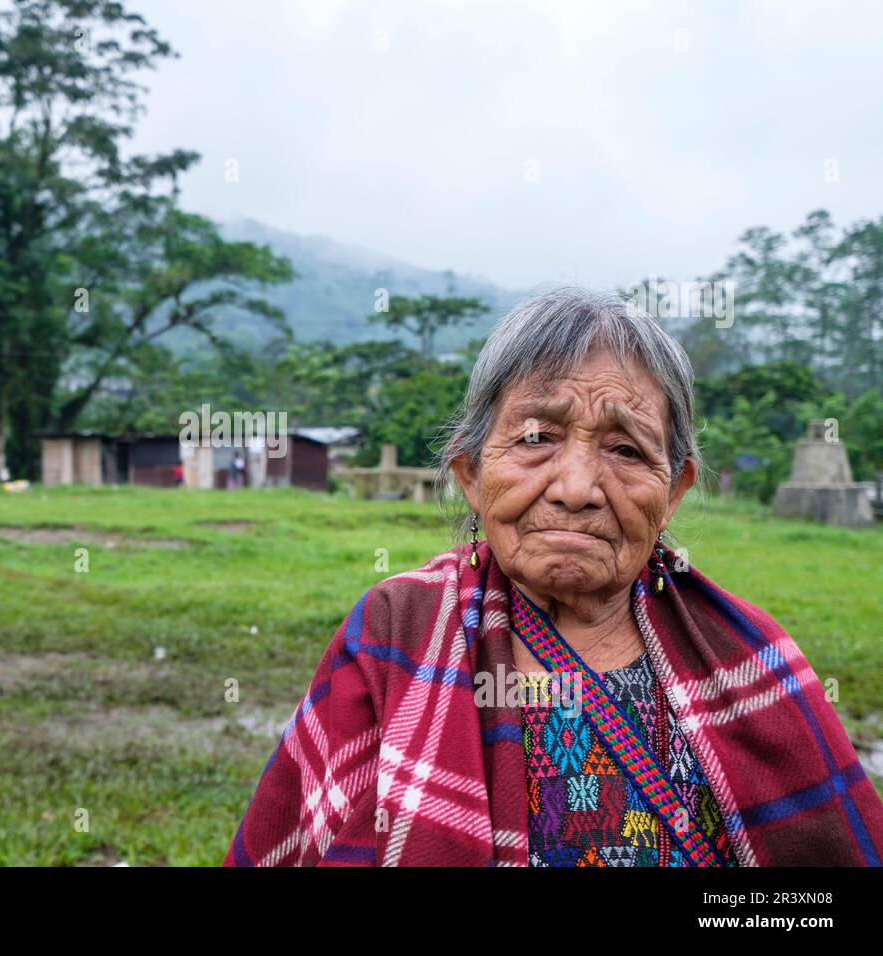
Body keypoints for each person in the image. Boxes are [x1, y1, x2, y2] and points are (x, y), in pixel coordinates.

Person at [224, 286, 883, 867]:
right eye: (537, 437)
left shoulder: (749, 656)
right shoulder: (396, 632)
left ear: (674, 491)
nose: (576, 489)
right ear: (473, 474)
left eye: (626, 450)